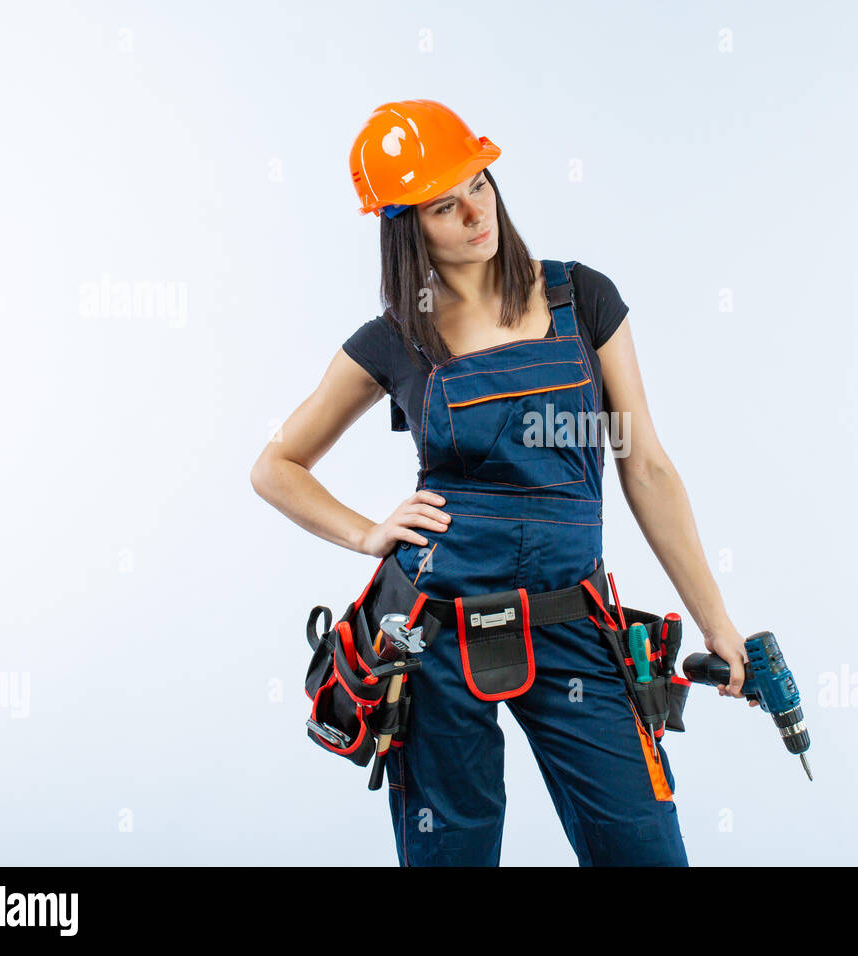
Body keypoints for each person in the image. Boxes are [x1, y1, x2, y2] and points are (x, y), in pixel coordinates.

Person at [251, 99, 754, 867]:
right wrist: (366, 532)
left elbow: (643, 464)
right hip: (435, 637)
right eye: (442, 206)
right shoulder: (394, 340)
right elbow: (275, 467)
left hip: (574, 623)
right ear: (406, 227)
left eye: (478, 186)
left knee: (643, 845)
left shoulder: (581, 299)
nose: (472, 213)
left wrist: (715, 620)